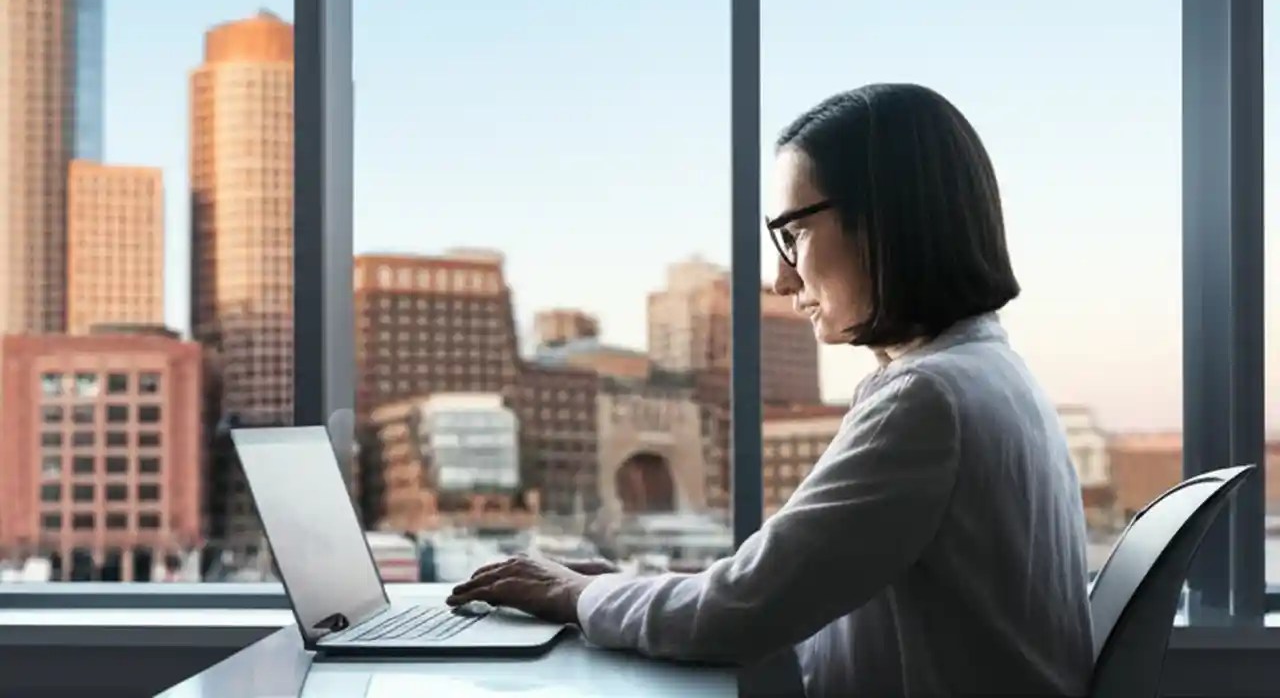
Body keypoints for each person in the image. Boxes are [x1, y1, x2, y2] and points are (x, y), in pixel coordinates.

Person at [447, 83, 1095, 696]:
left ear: (887, 220)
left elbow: (737, 611)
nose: (782, 280)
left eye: (794, 234)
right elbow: (778, 586)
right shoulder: (992, 377)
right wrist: (620, 587)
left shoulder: (927, 400)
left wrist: (572, 595)